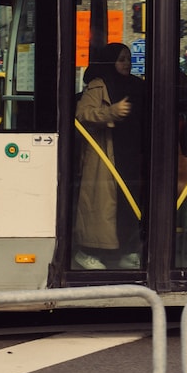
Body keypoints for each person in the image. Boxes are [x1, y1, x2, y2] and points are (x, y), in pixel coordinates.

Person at [72, 42, 147, 270]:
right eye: (121, 59)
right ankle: (88, 252)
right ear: (109, 62)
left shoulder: (137, 85)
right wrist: (111, 112)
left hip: (133, 154)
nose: (127, 63)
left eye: (129, 59)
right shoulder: (99, 86)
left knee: (128, 205)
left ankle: (126, 251)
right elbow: (82, 115)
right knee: (102, 208)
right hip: (107, 155)